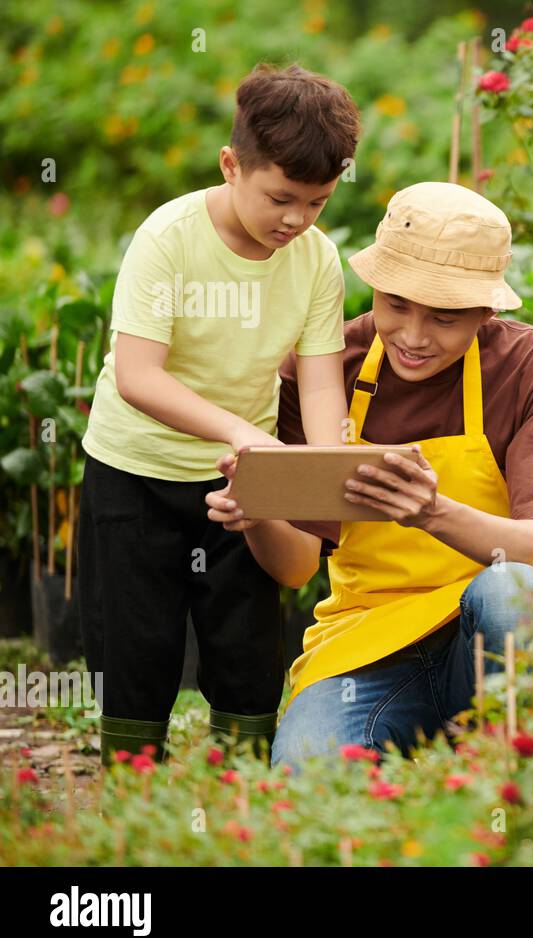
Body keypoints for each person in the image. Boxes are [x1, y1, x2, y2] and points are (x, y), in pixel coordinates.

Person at [205, 182, 533, 773]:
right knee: (308, 778)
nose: (412, 336)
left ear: (487, 312)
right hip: (366, 643)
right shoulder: (327, 366)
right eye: (396, 305)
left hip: (479, 628)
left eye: (444, 317)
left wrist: (430, 513)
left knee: (511, 592)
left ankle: (506, 768)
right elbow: (298, 566)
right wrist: (258, 516)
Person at [78, 64, 360, 765]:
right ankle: (135, 793)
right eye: (281, 198)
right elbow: (140, 376)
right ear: (231, 166)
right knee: (136, 649)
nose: (297, 220)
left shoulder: (317, 260)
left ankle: (241, 798)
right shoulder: (168, 238)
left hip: (243, 483)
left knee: (247, 647)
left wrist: (318, 471)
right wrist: (241, 432)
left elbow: (322, 382)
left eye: (318, 203)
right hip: (133, 472)